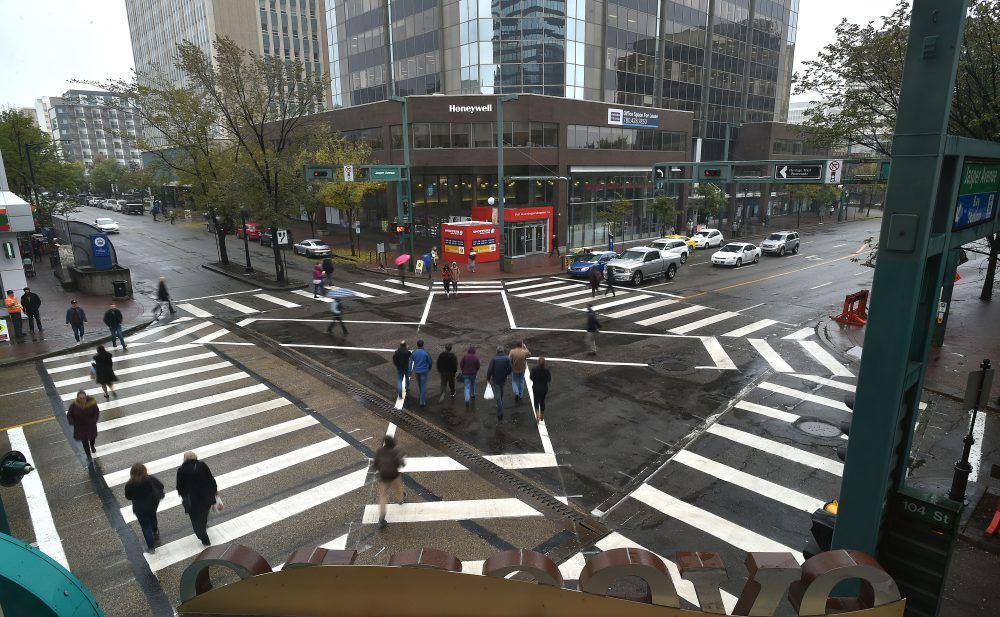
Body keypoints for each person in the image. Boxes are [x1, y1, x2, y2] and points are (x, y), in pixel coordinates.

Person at [176, 451, 218, 546]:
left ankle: (204, 539)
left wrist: (183, 495)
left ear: (185, 459)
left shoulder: (181, 470)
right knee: (203, 514)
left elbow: (179, 487)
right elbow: (211, 479)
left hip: (192, 501)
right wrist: (214, 491)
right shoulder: (202, 465)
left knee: (195, 522)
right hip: (206, 498)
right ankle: (203, 525)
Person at [124, 463, 164, 554]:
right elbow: (161, 486)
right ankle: (155, 532)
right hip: (152, 505)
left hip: (139, 508)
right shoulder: (150, 479)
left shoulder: (129, 484)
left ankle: (151, 548)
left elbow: (128, 496)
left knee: (145, 527)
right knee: (153, 518)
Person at [374, 435, 406, 529]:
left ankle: (381, 518)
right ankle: (401, 500)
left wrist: (379, 469)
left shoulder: (380, 451)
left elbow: (376, 463)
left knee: (383, 496)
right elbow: (402, 464)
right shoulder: (395, 451)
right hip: (393, 476)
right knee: (398, 490)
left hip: (383, 476)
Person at [66, 390, 99, 460]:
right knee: (84, 441)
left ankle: (92, 446)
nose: (82, 400)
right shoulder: (74, 405)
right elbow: (69, 415)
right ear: (78, 398)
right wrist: (73, 422)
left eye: (83, 398)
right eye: (80, 398)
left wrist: (93, 421)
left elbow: (96, 413)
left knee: (92, 438)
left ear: (86, 397)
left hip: (90, 426)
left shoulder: (92, 404)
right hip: (80, 427)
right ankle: (88, 455)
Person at [486, 346, 512, 422]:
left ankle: (500, 411)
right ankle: (500, 402)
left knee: (497, 393)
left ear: (497, 351)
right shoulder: (507, 358)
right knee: (501, 389)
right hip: (503, 378)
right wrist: (506, 374)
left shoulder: (494, 359)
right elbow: (510, 369)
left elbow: (490, 370)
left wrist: (488, 378)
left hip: (496, 379)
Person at [409, 339, 432, 409]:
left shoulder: (414, 353)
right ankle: (422, 401)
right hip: (424, 371)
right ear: (423, 344)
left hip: (417, 372)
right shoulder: (425, 353)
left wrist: (409, 371)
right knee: (423, 386)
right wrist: (429, 368)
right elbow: (430, 362)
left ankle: (421, 395)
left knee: (420, 385)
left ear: (417, 345)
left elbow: (410, 363)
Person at [529, 357, 551, 423]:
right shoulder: (547, 370)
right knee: (542, 401)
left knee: (536, 401)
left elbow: (531, 377)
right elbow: (549, 380)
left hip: (536, 388)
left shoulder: (534, 369)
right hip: (544, 388)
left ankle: (537, 414)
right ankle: (542, 415)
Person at [508, 341, 530, 406]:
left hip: (514, 369)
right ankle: (520, 395)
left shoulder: (512, 351)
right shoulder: (524, 352)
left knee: (514, 381)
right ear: (521, 345)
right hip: (522, 369)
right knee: (521, 381)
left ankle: (516, 393)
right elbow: (529, 355)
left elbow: (509, 359)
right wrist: (525, 348)